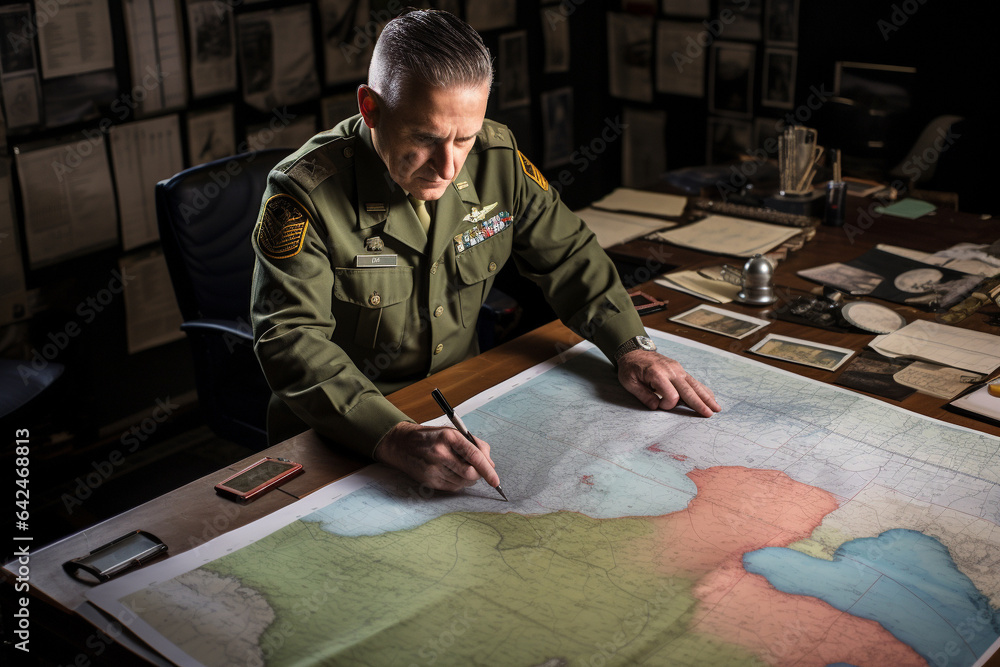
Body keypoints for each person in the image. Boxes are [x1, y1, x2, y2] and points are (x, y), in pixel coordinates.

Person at [250, 9, 720, 494]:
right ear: (370, 108)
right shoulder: (303, 191)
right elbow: (290, 337)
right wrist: (391, 436)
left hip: (458, 401)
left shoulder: (498, 157)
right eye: (425, 138)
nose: (449, 164)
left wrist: (630, 347)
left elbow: (570, 255)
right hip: (338, 428)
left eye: (465, 138)